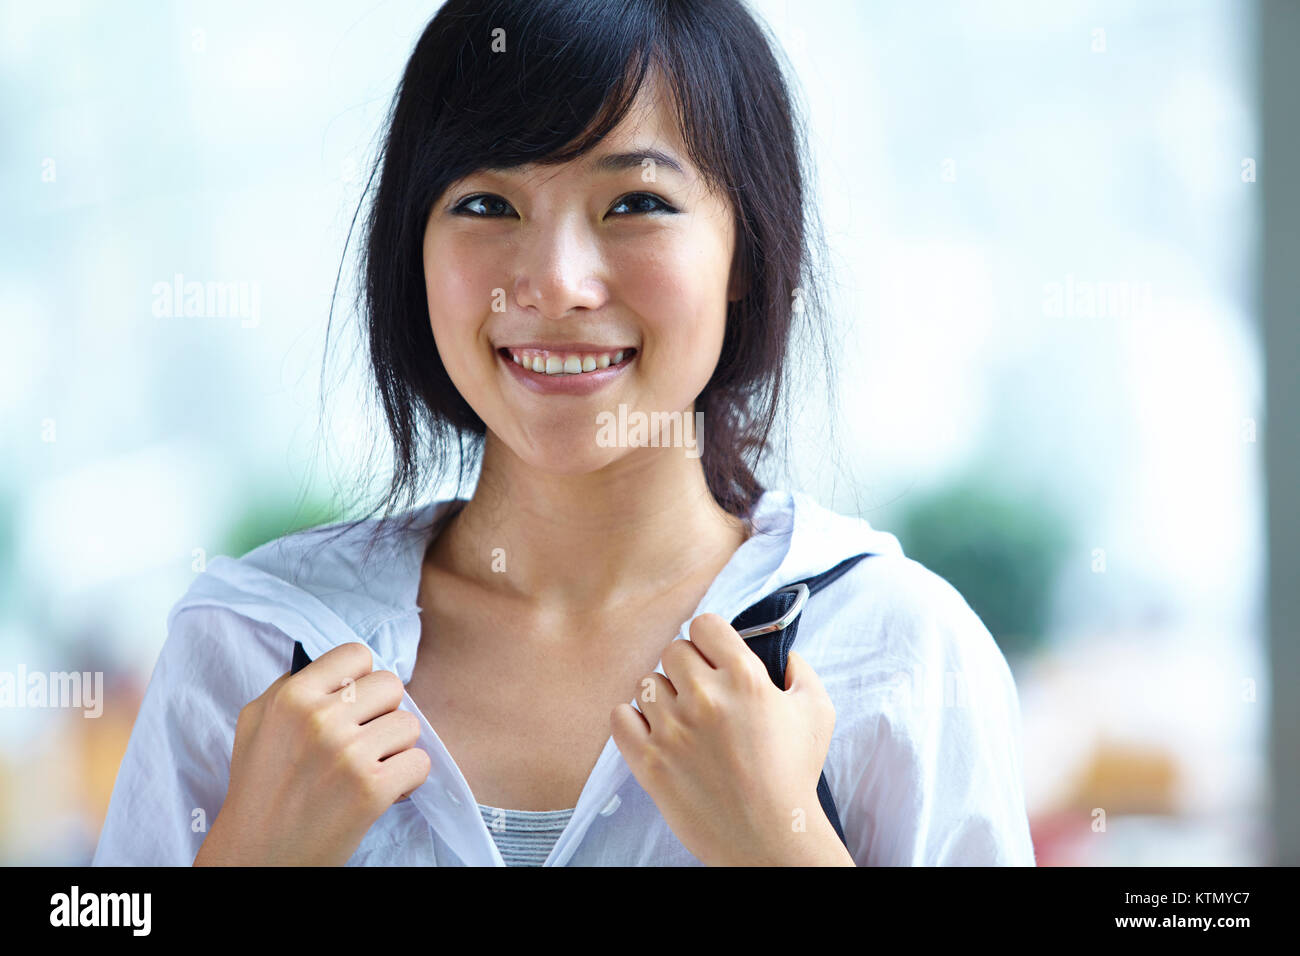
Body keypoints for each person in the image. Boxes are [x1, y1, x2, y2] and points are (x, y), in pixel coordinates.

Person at [92, 0, 1036, 867]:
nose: (553, 283)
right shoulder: (247, 653)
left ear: (744, 251)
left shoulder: (901, 653)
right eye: (485, 205)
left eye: (636, 204)